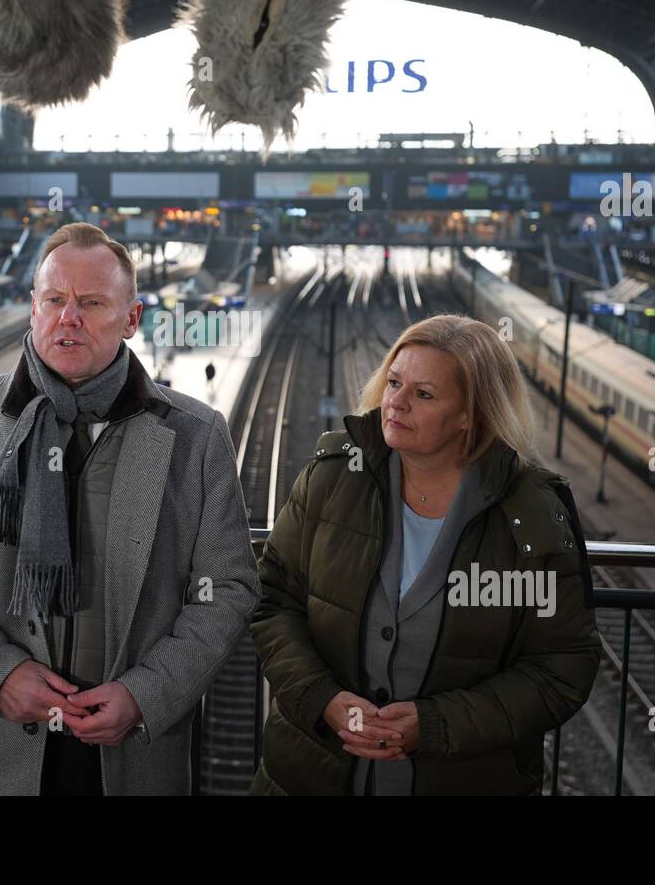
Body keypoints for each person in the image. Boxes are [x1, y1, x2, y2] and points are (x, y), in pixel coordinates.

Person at [0, 222, 258, 795]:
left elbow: (228, 588)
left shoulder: (195, 437)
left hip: (130, 752)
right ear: (33, 309)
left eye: (90, 303)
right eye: (54, 300)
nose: (68, 318)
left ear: (131, 319)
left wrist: (146, 694)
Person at [251, 314, 602, 796]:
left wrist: (435, 725)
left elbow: (561, 668)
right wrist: (322, 699)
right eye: (394, 382)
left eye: (424, 394)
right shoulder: (332, 478)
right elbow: (273, 602)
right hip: (310, 776)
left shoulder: (533, 515)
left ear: (471, 415)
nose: (394, 402)